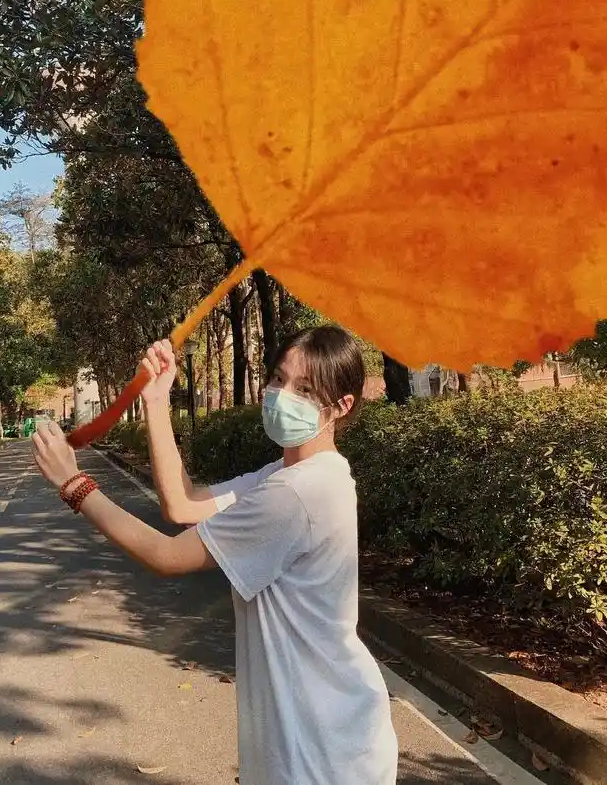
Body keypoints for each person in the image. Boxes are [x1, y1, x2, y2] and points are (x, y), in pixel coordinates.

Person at [32, 324, 399, 785]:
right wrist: (157, 401)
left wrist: (74, 485)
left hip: (323, 747)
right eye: (279, 379)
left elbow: (167, 555)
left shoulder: (299, 491)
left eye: (305, 390)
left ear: (341, 406)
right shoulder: (288, 474)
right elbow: (183, 505)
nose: (283, 395)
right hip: (314, 733)